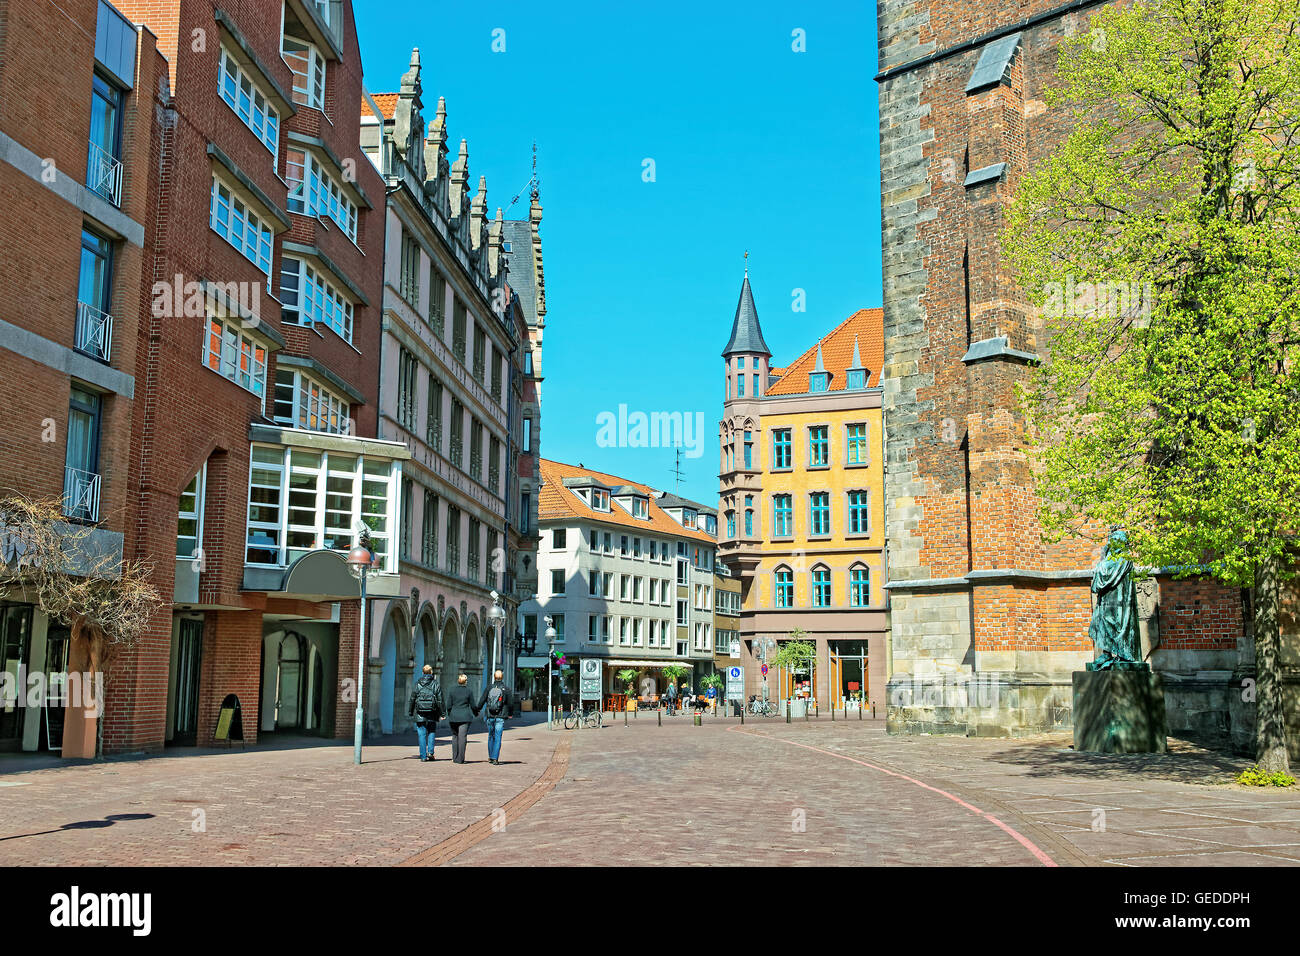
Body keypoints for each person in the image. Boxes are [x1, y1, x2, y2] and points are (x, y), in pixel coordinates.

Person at [407, 664, 443, 761]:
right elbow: (440, 700)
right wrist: (442, 713)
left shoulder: (417, 684)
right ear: (431, 673)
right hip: (432, 711)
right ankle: (430, 752)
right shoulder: (435, 684)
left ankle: (423, 756)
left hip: (420, 712)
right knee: (431, 731)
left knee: (421, 734)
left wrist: (410, 711)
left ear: (422, 672)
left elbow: (412, 699)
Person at [478, 669, 514, 765]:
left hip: (490, 715)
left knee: (491, 736)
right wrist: (510, 714)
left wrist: (477, 709)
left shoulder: (489, 688)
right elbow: (510, 703)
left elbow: (482, 700)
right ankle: (495, 758)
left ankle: (490, 756)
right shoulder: (506, 689)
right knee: (498, 737)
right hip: (500, 716)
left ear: (494, 677)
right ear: (502, 677)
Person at [444, 673, 480, 764]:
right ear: (466, 681)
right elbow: (473, 705)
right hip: (465, 717)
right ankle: (460, 759)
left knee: (455, 736)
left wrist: (450, 714)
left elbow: (448, 705)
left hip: (454, 717)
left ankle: (454, 757)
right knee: (462, 737)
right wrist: (476, 713)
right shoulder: (469, 691)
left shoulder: (452, 690)